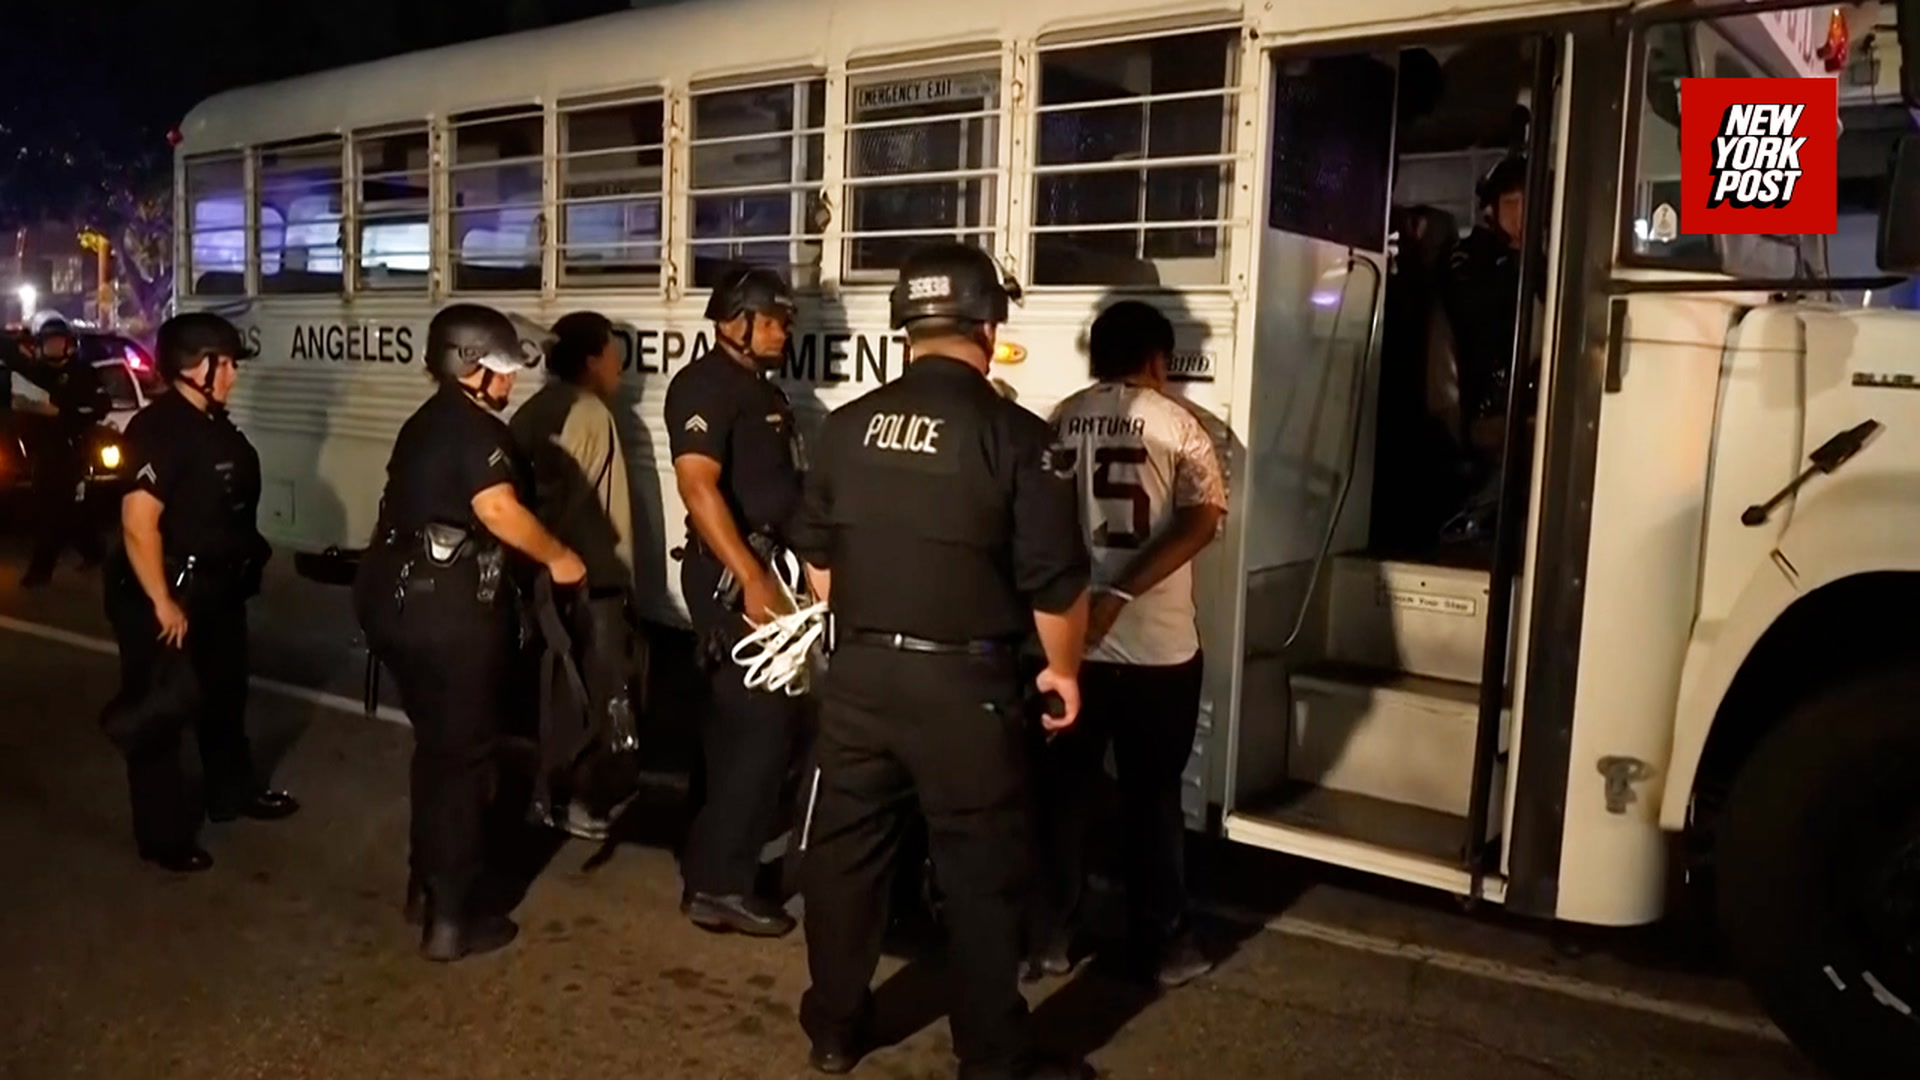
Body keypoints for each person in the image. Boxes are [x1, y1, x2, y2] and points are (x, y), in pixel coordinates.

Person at [790, 241, 1092, 1080]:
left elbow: (820, 568)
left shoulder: (846, 430)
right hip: (968, 690)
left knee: (845, 858)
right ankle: (992, 1052)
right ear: (988, 330)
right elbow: (1058, 588)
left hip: (857, 679)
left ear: (904, 328)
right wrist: (1063, 674)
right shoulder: (1019, 439)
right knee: (978, 873)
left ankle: (834, 1028)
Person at [354, 303, 586, 962]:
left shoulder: (426, 421)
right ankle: (451, 918)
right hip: (448, 613)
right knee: (464, 762)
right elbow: (496, 509)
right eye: (502, 366)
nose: (512, 378)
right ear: (470, 368)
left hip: (395, 603)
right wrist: (559, 557)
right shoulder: (476, 430)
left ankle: (424, 888)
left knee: (436, 750)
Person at [1027, 300, 1227, 990]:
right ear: (1155, 361)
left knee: (1063, 794)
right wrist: (1124, 592)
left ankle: (1049, 936)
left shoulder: (1059, 418)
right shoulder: (1180, 426)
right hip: (1159, 653)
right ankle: (1165, 942)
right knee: (1153, 796)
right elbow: (1203, 519)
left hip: (1069, 647)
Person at [102, 311, 298, 873]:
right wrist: (163, 601)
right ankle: (162, 836)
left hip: (216, 590)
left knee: (224, 696)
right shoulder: (159, 429)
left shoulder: (212, 421)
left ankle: (231, 792)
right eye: (226, 364)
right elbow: (139, 523)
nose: (234, 374)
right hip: (164, 593)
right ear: (195, 367)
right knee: (161, 711)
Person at [664, 265, 807, 938]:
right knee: (761, 730)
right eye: (773, 319)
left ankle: (714, 863)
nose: (784, 331)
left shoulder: (758, 389)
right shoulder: (704, 387)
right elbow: (699, 488)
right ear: (734, 322)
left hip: (763, 567)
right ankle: (719, 886)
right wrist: (751, 577)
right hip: (733, 577)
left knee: (741, 731)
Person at [509, 310, 642, 841]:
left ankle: (547, 795)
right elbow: (561, 501)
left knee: (561, 692)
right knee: (593, 694)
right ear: (592, 360)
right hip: (586, 578)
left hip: (555, 577)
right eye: (614, 353)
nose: (621, 367)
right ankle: (573, 800)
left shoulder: (536, 408)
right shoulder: (587, 413)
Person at [21, 313, 110, 586]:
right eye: (49, 342)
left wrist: (63, 414)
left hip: (74, 451)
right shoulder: (33, 374)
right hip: (43, 453)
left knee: (64, 508)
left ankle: (41, 571)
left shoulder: (82, 373)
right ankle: (92, 551)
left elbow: (98, 406)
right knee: (53, 509)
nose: (54, 346)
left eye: (59, 341)